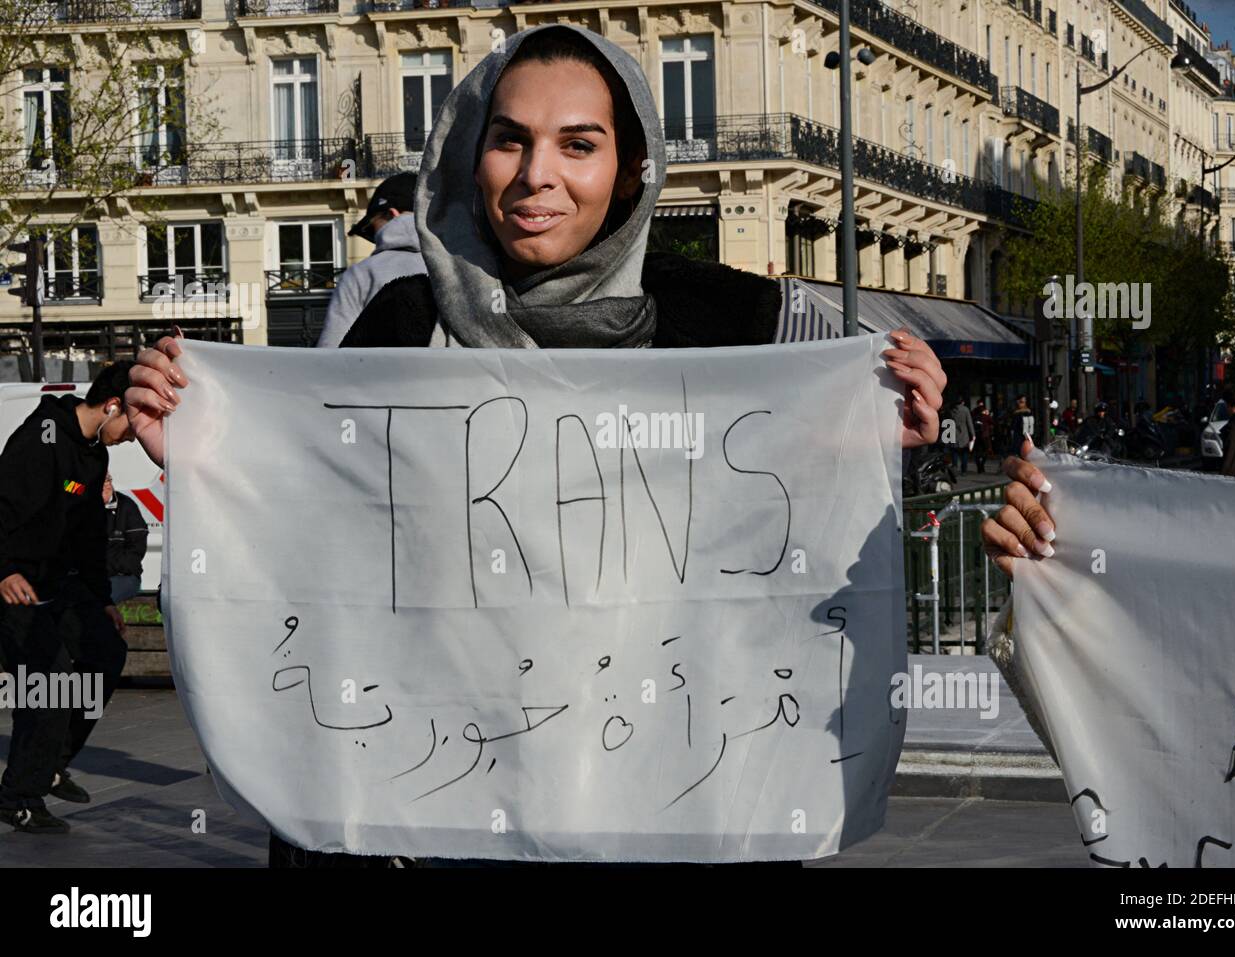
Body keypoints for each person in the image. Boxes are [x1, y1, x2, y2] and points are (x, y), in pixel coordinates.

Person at [126, 24, 949, 867]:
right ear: (467, 154)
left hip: (666, 805)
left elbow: (796, 554)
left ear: (632, 168)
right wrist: (200, 458)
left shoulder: (738, 330)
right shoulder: (405, 327)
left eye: (578, 145)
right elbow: (321, 545)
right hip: (439, 807)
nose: (535, 175)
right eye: (508, 140)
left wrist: (883, 446)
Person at [0, 361, 135, 834]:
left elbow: (87, 535)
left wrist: (102, 599)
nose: (133, 437)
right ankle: (20, 796)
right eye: (131, 426)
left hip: (61, 584)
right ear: (113, 405)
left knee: (107, 651)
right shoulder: (40, 439)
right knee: (49, 679)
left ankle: (52, 764)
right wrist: (4, 572)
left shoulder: (95, 456)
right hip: (15, 583)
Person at [313, 172, 426, 348]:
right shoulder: (459, 266)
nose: (374, 238)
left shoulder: (361, 275)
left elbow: (331, 355)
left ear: (392, 214)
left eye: (372, 227)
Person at [103, 473, 148, 605]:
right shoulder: (82, 502)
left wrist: (105, 568)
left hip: (122, 576)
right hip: (89, 578)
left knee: (99, 600)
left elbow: (134, 553)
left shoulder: (127, 506)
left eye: (106, 481)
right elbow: (64, 484)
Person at [949, 396, 974, 475]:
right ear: (962, 402)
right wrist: (973, 434)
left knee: (954, 452)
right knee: (964, 453)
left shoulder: (951, 410)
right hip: (964, 434)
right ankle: (964, 470)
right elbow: (969, 423)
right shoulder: (965, 410)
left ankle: (955, 467)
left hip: (953, 433)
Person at [973, 399, 994, 474]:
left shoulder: (974, 414)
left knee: (977, 452)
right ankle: (982, 465)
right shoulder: (985, 416)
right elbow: (992, 422)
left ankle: (979, 466)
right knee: (985, 451)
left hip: (977, 435)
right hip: (985, 436)